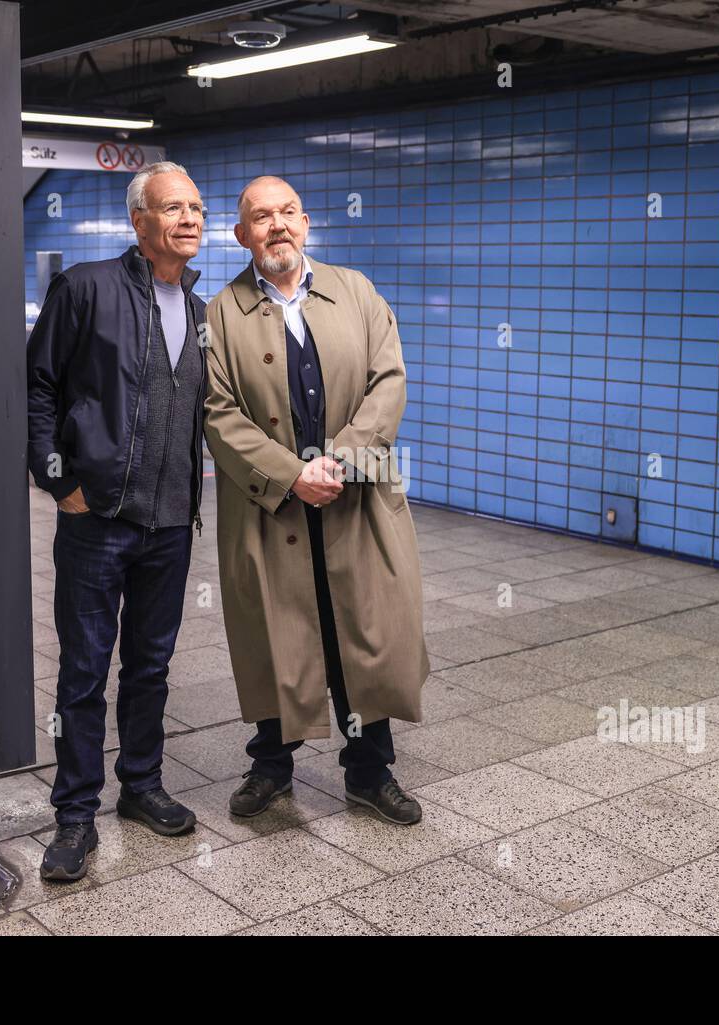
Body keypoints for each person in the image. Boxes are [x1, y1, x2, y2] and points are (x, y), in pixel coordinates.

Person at [202, 175, 429, 826]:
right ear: (242, 234)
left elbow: (389, 380)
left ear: (305, 223)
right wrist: (290, 475)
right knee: (280, 633)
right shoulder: (220, 314)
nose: (276, 225)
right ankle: (271, 766)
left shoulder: (355, 291)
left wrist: (345, 459)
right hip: (272, 506)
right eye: (259, 217)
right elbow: (219, 414)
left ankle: (369, 770)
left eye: (287, 213)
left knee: (362, 629)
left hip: (354, 501)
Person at [26, 162, 207, 880]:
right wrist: (58, 479)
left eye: (196, 207)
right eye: (173, 208)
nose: (189, 218)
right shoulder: (86, 289)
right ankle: (74, 814)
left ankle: (141, 783)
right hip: (97, 518)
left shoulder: (200, 308)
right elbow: (37, 386)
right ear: (140, 222)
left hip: (169, 524)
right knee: (82, 668)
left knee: (151, 666)